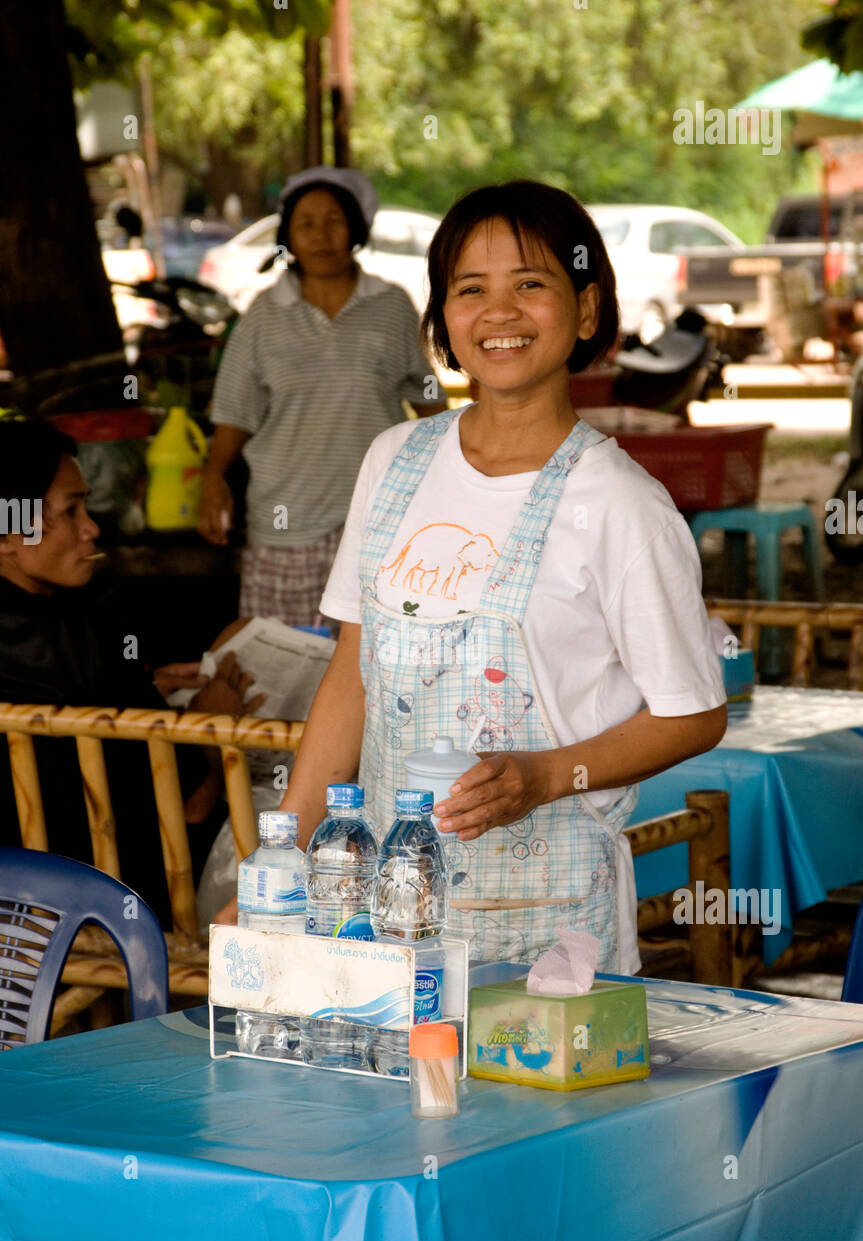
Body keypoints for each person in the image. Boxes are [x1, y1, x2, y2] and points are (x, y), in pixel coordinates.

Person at [216, 180, 727, 972]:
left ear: (586, 311)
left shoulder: (621, 504)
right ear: (442, 322)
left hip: (546, 938)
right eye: (470, 290)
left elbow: (693, 715)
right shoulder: (394, 459)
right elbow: (351, 674)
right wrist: (275, 878)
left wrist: (545, 774)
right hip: (387, 922)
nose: (499, 313)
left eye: (531, 284)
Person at [0, 418, 264, 924]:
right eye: (71, 510)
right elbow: (186, 808)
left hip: (21, 906)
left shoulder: (58, 638)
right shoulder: (86, 636)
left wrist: (144, 687)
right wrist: (212, 730)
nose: (91, 528)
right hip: (108, 905)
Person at [198, 166, 446, 626]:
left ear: (356, 228)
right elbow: (235, 413)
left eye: (334, 220)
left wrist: (445, 478)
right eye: (306, 223)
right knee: (280, 666)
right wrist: (213, 482)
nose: (321, 235)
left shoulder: (390, 306)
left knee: (369, 668)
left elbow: (429, 398)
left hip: (379, 519)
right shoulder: (264, 315)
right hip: (284, 522)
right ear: (288, 235)